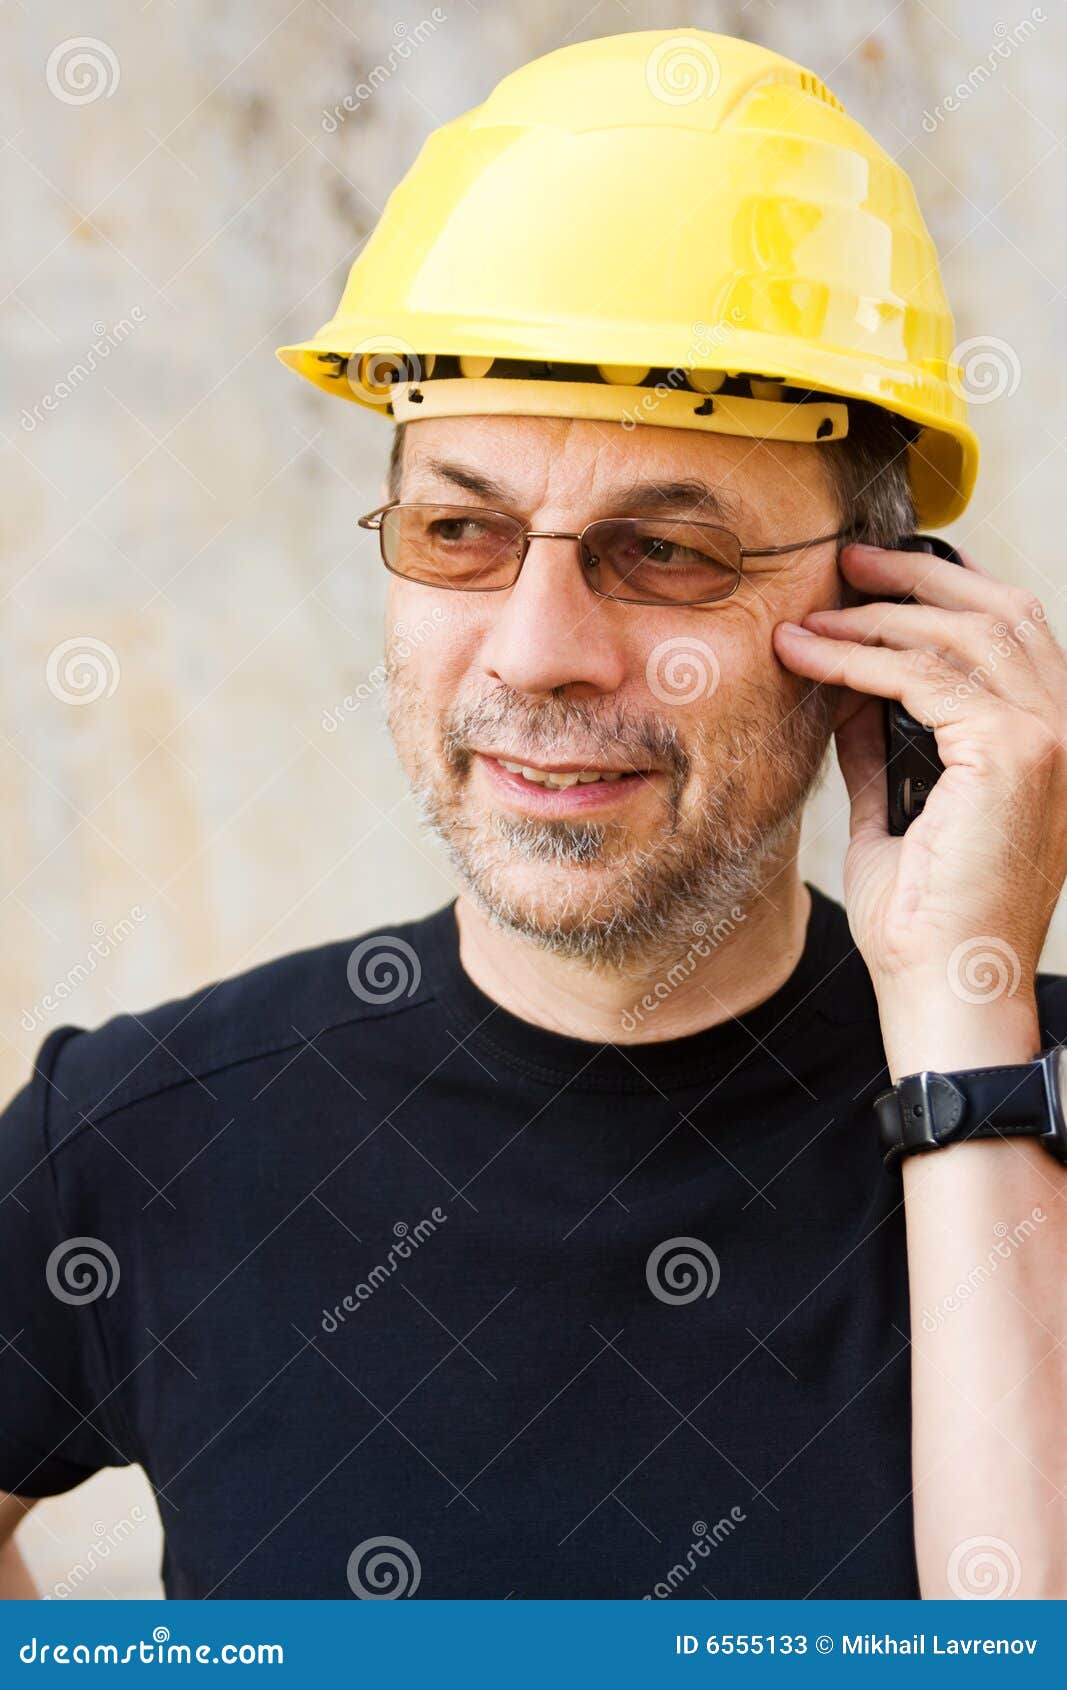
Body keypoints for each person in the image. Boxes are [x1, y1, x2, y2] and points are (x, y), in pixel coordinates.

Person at [2, 29, 1066, 1603]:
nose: (536, 650)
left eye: (668, 552)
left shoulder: (1025, 1106)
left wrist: (967, 1029)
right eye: (459, 530)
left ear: (886, 621)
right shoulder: (152, 1137)